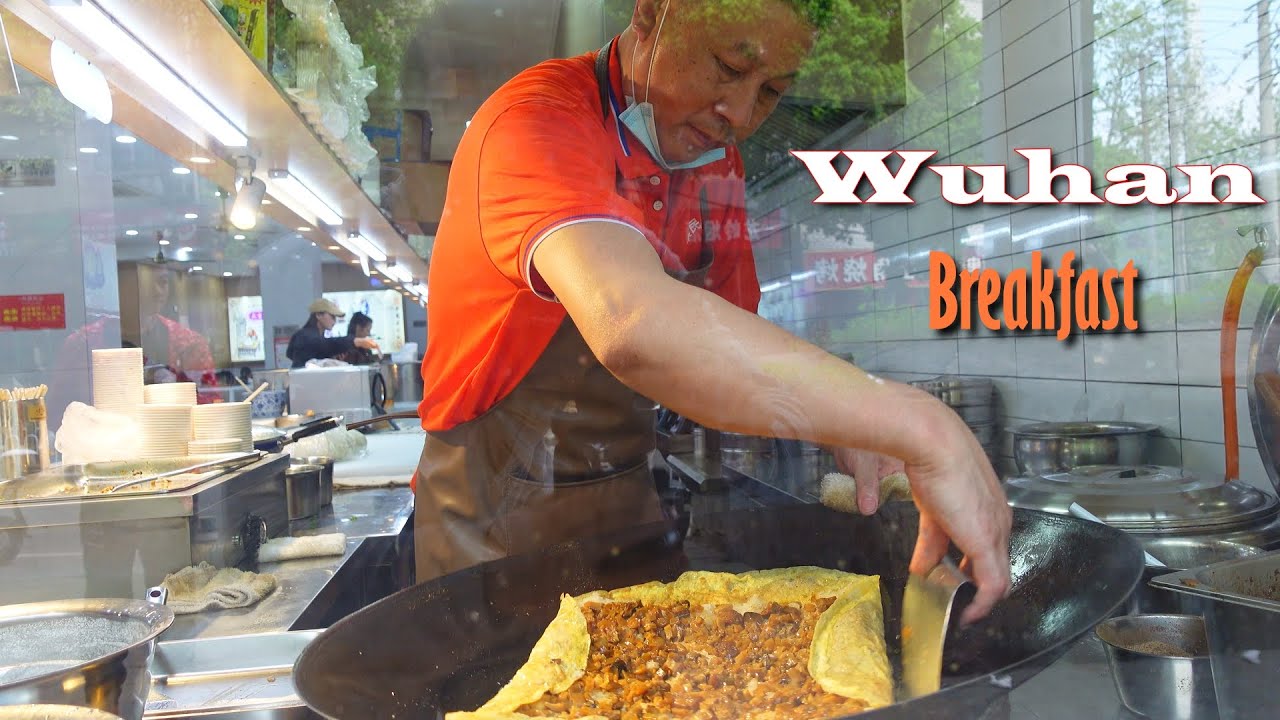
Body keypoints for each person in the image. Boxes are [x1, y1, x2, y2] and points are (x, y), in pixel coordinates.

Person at [416, 0, 1011, 623]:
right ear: (651, 16)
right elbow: (633, 323)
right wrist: (922, 425)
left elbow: (735, 334)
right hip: (492, 525)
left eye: (771, 91)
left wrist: (852, 428)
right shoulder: (536, 122)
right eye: (729, 67)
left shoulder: (711, 163)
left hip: (624, 508)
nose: (742, 115)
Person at [286, 298, 379, 368]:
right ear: (318, 315)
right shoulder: (305, 336)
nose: (334, 321)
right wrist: (356, 341)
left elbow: (290, 353)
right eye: (332, 316)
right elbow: (326, 344)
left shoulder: (305, 335)